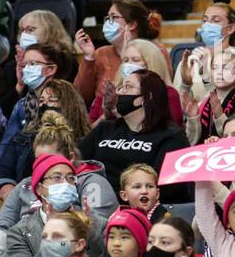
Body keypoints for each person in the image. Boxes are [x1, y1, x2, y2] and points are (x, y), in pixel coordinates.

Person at [78, 70, 191, 202]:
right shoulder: (106, 128)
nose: (119, 92)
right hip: (92, 200)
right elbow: (76, 160)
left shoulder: (171, 136)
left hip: (137, 208)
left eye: (128, 87)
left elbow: (166, 188)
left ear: (147, 97)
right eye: (121, 87)